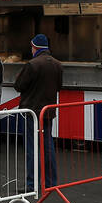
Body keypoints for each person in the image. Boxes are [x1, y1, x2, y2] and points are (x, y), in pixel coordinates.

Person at [14, 34, 63, 192]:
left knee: (32, 148)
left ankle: (32, 184)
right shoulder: (57, 64)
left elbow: (19, 85)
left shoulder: (32, 64)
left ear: (34, 46)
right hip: (48, 111)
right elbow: (59, 86)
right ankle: (51, 183)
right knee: (48, 147)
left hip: (32, 111)